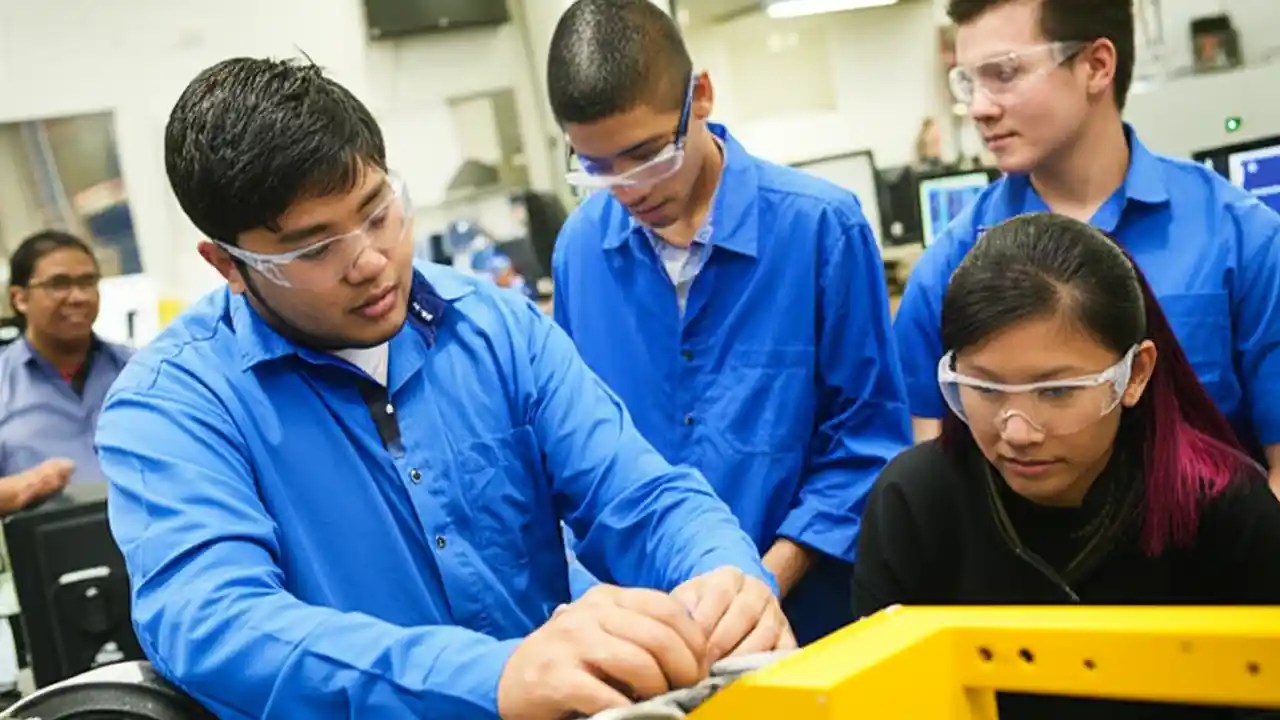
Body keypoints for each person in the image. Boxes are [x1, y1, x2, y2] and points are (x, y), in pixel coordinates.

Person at [95, 57, 795, 720]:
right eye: (315, 248)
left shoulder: (493, 326)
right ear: (229, 265)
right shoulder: (172, 408)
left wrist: (722, 575)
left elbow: (638, 495)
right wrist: (491, 679)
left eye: (378, 212)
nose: (370, 262)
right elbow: (213, 624)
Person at [546, 0, 912, 645]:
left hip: (806, 624)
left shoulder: (821, 229)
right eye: (597, 169)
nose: (630, 189)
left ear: (702, 97)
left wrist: (758, 585)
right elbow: (579, 458)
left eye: (647, 155)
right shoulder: (580, 251)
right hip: (648, 640)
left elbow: (865, 444)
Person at [856, 213, 1280, 720]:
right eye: (985, 389)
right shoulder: (914, 503)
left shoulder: (1225, 509)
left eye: (1056, 391)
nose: (1018, 432)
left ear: (1135, 374)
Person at [892, 0, 1280, 496]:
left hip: (1212, 540)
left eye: (1005, 74)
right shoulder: (948, 269)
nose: (979, 108)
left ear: (1096, 66)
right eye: (968, 82)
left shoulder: (1241, 240)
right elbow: (931, 487)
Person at [0, 230, 130, 512]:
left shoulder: (141, 371)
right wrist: (20, 489)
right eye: (58, 284)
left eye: (88, 282)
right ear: (19, 298)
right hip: (47, 536)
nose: (78, 297)